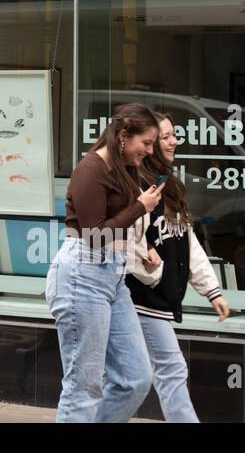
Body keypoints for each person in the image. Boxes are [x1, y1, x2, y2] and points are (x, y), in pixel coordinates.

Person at [46, 102, 163, 422]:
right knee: (83, 385)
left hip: (113, 275)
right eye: (147, 143)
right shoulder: (91, 169)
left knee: (136, 378)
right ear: (124, 136)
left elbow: (118, 229)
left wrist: (141, 251)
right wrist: (140, 206)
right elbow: (94, 236)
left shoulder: (124, 168)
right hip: (81, 276)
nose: (150, 151)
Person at [127, 112, 230, 422]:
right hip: (141, 298)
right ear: (148, 144)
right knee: (169, 369)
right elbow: (115, 234)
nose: (173, 141)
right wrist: (144, 253)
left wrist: (212, 291)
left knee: (130, 377)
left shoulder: (169, 186)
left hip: (159, 298)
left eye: (174, 135)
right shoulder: (135, 184)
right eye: (165, 136)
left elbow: (188, 243)